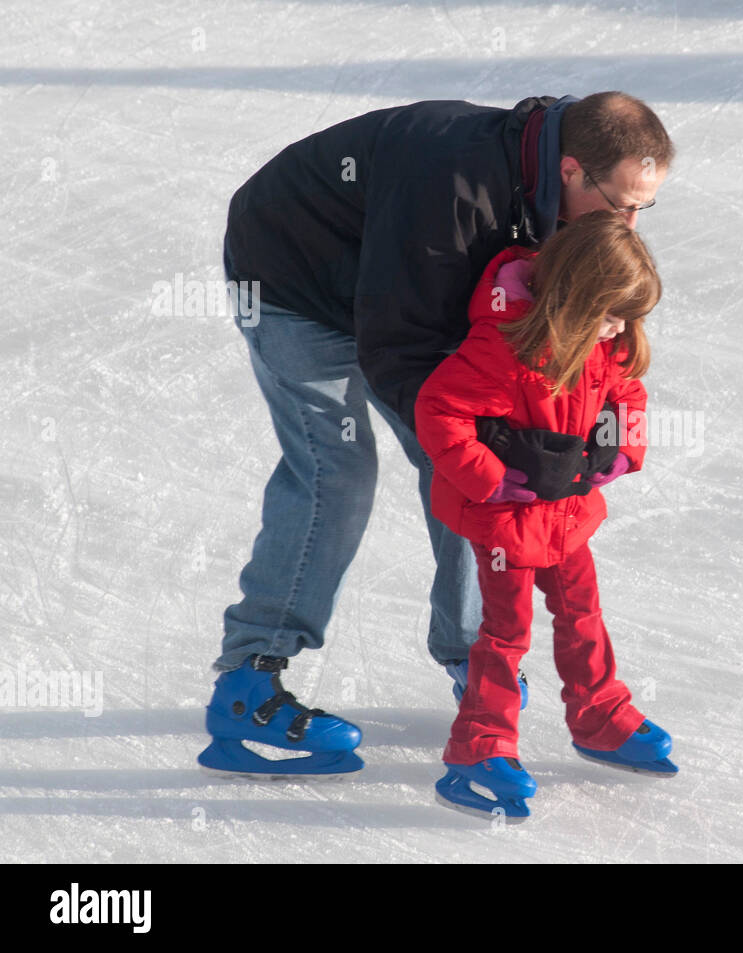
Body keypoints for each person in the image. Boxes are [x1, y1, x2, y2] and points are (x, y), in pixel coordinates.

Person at [197, 93, 674, 778]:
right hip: (291, 281)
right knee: (340, 471)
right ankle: (248, 681)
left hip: (385, 287)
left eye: (644, 208)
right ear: (572, 169)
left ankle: (472, 650)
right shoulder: (454, 188)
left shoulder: (544, 194)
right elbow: (400, 343)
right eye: (623, 202)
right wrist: (492, 454)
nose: (631, 224)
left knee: (467, 455)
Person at [413, 212, 676, 820]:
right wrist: (491, 477)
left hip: (568, 513)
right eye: (612, 315)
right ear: (578, 299)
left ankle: (600, 715)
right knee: (506, 633)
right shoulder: (505, 349)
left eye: (628, 319)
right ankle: (478, 750)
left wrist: (619, 447)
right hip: (508, 521)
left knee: (583, 612)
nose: (619, 331)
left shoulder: (605, 346)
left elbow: (628, 394)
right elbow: (439, 410)